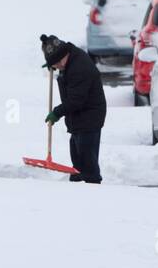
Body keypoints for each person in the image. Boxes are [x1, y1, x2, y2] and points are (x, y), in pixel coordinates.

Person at [40, 34, 107, 184]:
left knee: (87, 161)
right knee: (77, 159)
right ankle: (76, 186)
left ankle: (93, 188)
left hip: (89, 116)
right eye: (53, 64)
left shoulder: (79, 68)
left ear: (63, 55)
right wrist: (56, 66)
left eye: (57, 63)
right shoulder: (69, 60)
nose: (56, 67)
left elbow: (76, 101)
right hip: (79, 117)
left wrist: (57, 113)